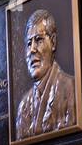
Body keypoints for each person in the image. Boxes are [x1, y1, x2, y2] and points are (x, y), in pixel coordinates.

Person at [15, 7, 76, 138]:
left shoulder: (72, 89)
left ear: (53, 42)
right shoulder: (23, 106)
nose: (32, 49)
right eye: (28, 43)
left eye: (38, 40)